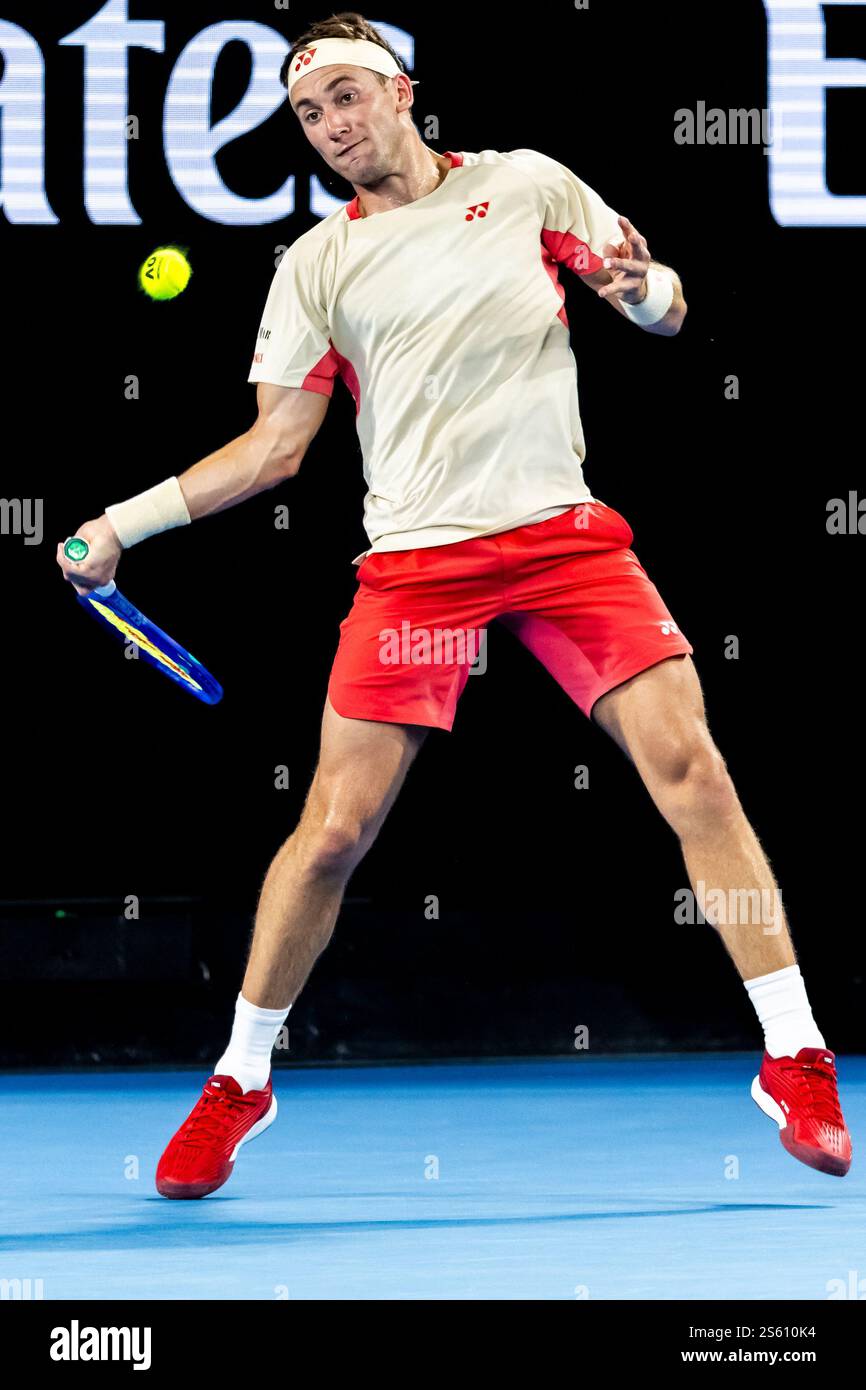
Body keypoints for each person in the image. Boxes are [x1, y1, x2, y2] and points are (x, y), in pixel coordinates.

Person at [58, 12, 851, 1199]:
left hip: (563, 541)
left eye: (345, 97)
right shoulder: (316, 265)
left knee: (692, 770)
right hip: (419, 565)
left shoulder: (526, 186)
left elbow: (666, 306)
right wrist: (118, 524)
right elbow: (276, 449)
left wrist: (643, 293)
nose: (330, 127)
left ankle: (792, 1052)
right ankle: (240, 1076)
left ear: (401, 93)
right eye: (310, 113)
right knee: (330, 832)